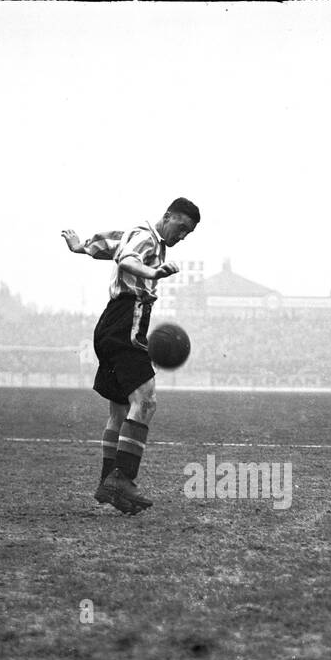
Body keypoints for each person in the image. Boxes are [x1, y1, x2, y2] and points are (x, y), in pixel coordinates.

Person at [62, 197, 200, 514]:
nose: (182, 236)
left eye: (188, 233)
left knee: (120, 410)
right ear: (168, 217)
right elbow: (125, 259)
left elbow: (109, 244)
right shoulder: (146, 236)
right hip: (126, 322)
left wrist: (79, 246)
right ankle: (122, 478)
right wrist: (153, 273)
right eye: (182, 227)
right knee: (146, 400)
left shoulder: (138, 234)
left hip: (111, 323)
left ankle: (108, 483)